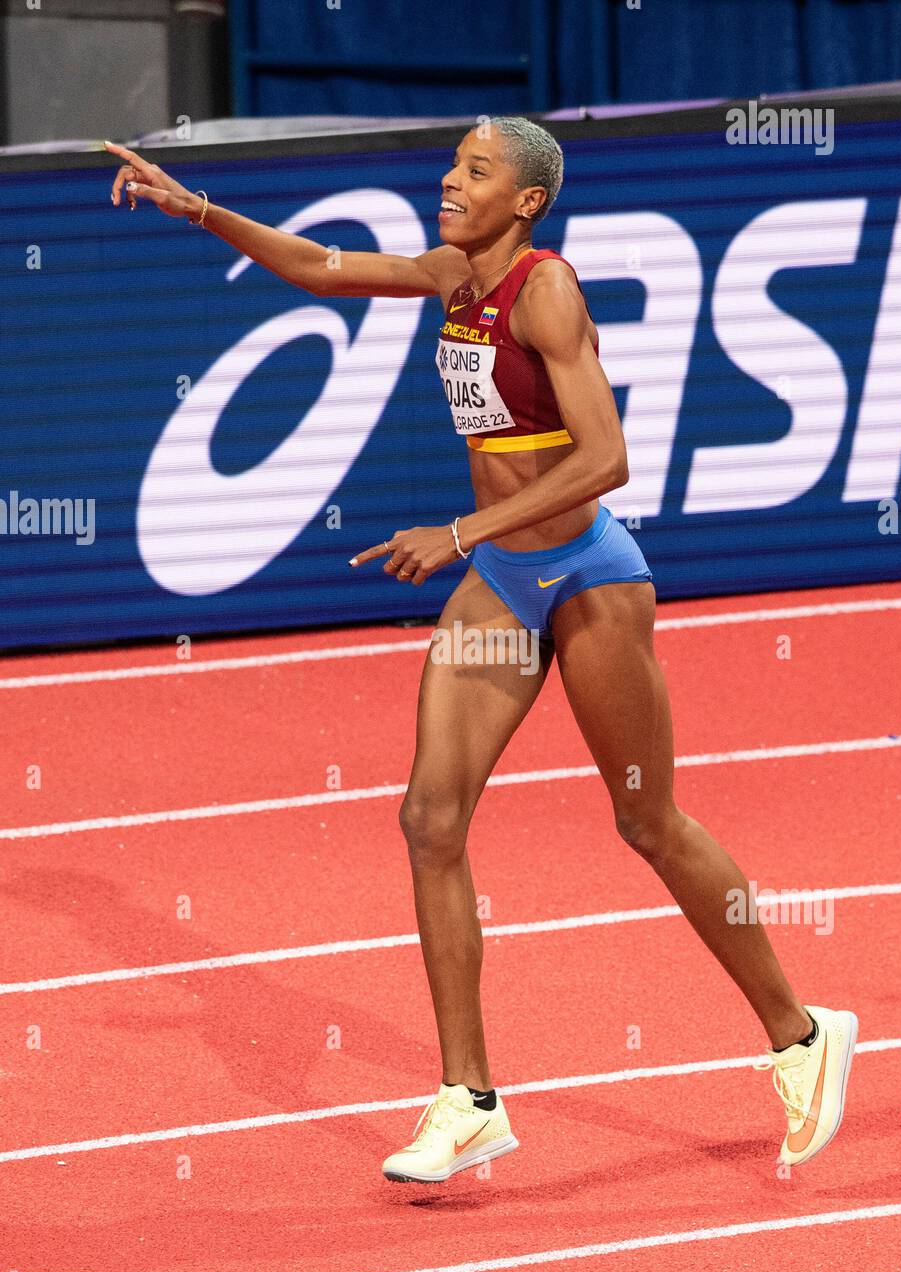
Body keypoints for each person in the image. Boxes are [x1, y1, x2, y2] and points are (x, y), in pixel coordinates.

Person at [106, 117, 857, 1186]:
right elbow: (324, 269)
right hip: (504, 583)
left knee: (646, 819)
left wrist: (458, 533)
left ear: (528, 201)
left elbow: (607, 458)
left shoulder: (546, 291)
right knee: (430, 817)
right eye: (452, 165)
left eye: (474, 171)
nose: (449, 181)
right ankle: (468, 1097)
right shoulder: (454, 272)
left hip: (591, 579)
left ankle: (799, 1033)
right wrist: (204, 213)